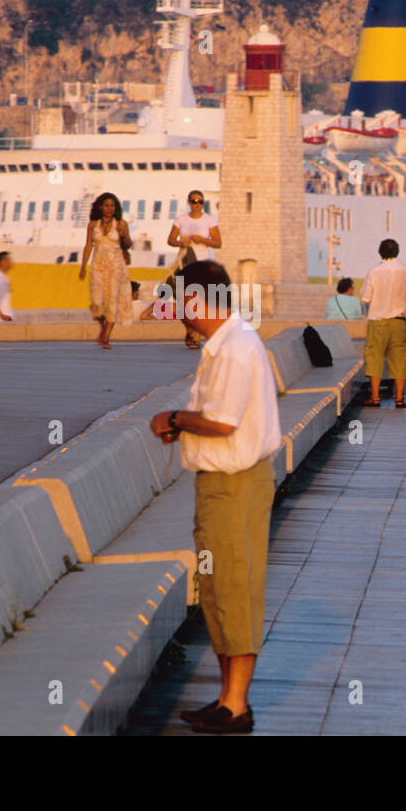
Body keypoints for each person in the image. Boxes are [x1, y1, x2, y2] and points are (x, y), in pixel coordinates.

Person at [148, 260, 280, 734]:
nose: (177, 313)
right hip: (222, 483)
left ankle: (237, 705)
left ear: (197, 299)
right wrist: (184, 423)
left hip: (235, 484)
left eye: (179, 303)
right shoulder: (227, 343)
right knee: (218, 589)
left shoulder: (235, 349)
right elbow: (219, 418)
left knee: (234, 590)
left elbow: (222, 423)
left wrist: (175, 419)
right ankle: (227, 699)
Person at [360, 238, 406, 408]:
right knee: (399, 359)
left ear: (380, 252)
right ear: (397, 252)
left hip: (378, 320)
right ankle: (399, 398)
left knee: (374, 357)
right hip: (399, 321)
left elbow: (365, 297)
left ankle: (375, 398)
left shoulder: (374, 271)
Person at [79, 192, 133, 349]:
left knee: (113, 300)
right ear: (100, 207)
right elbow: (88, 245)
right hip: (98, 264)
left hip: (116, 265)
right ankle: (103, 328)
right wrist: (83, 266)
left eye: (112, 206)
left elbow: (128, 244)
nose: (109, 209)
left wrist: (123, 237)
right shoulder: (93, 225)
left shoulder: (121, 224)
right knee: (96, 300)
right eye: (106, 205)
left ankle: (106, 338)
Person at [167, 191, 220, 348]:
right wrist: (181, 243)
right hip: (185, 263)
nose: (197, 204)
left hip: (201, 263)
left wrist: (203, 240)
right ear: (189, 202)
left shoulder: (209, 220)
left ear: (203, 203)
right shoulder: (181, 219)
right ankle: (189, 329)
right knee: (182, 300)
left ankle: (196, 333)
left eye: (200, 201)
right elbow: (170, 239)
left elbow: (218, 243)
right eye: (194, 201)